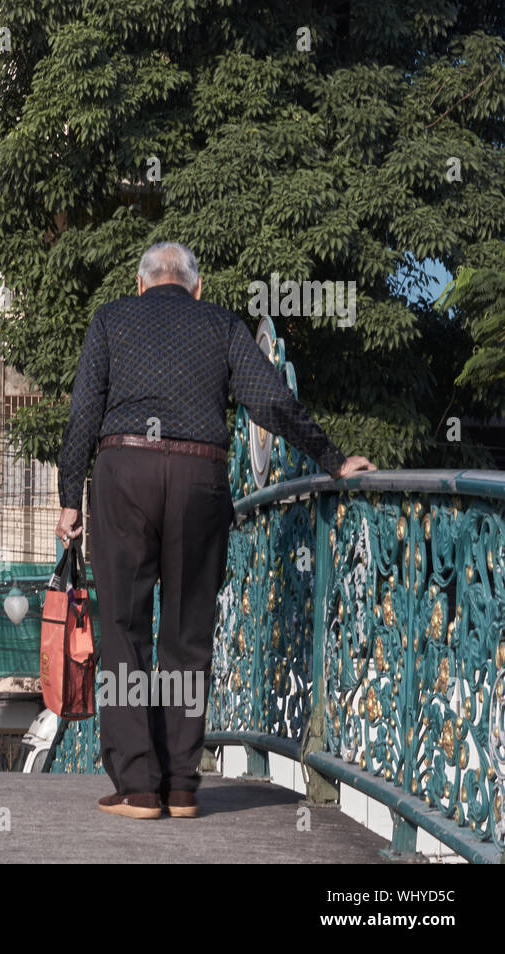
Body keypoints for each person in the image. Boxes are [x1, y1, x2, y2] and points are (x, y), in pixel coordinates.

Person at [53, 242, 374, 819]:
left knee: (123, 628)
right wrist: (333, 458)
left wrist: (69, 499)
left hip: (124, 473)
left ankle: (138, 786)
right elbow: (270, 400)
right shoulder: (220, 323)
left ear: (140, 281)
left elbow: (83, 412)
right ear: (196, 287)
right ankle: (179, 784)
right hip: (200, 477)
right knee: (188, 632)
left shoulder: (111, 319)